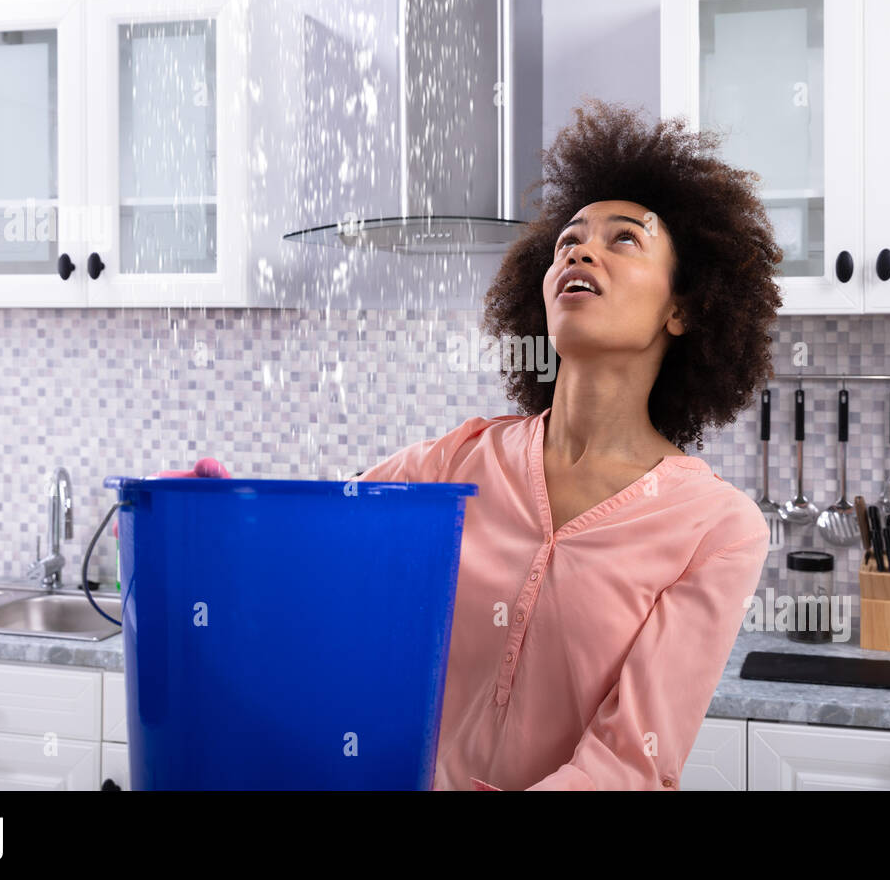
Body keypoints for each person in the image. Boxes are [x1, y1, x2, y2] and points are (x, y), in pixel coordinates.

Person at [159, 97, 782, 790]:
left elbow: (628, 763)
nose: (580, 249)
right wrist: (208, 518)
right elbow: (303, 556)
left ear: (684, 307)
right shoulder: (452, 464)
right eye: (567, 241)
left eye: (624, 239)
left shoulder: (717, 530)